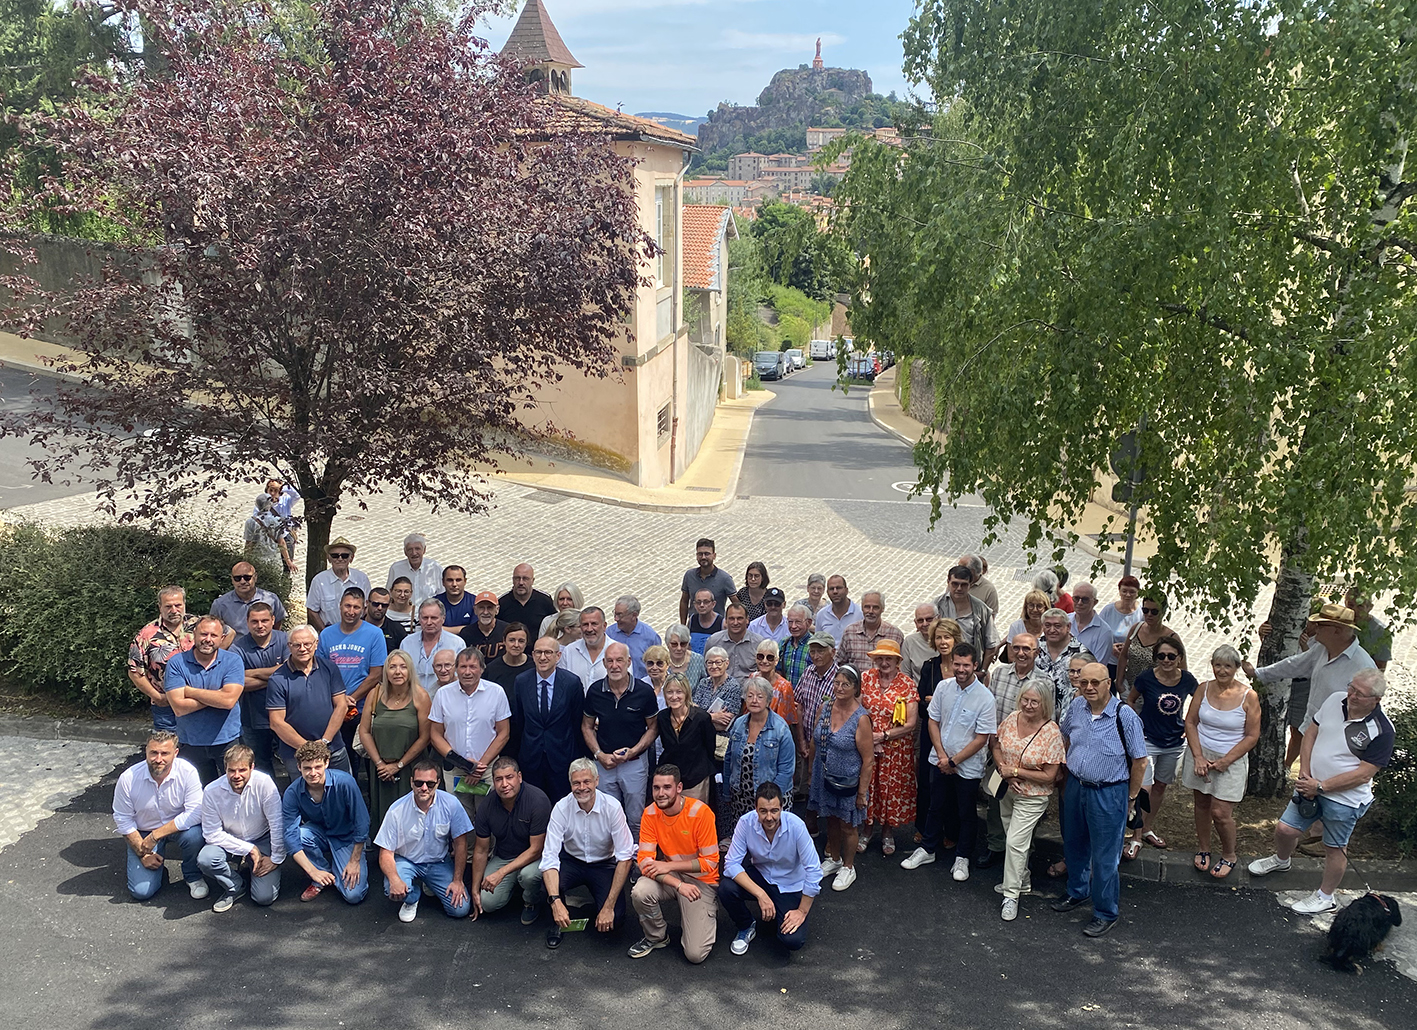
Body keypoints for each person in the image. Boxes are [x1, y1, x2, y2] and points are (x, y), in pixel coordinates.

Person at [1249, 669, 1395, 914]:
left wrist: (1322, 787)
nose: (1352, 695)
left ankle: (1325, 897)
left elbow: (1364, 774)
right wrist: (1305, 774)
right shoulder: (1334, 699)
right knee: (1285, 829)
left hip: (1345, 800)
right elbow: (1311, 733)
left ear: (1376, 700)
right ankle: (1281, 860)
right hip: (1310, 785)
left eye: (1360, 693)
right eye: (1352, 687)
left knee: (1334, 848)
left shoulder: (1382, 730)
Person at [1053, 662, 1148, 937]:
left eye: (1096, 682)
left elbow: (1140, 761)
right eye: (1084, 683)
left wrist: (1130, 797)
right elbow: (1066, 737)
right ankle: (1077, 891)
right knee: (1073, 842)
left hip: (1109, 792)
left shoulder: (1125, 715)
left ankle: (1105, 911)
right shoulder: (1076, 708)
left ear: (1109, 683)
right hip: (1075, 786)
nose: (1089, 688)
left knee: (1105, 856)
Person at [901, 644, 996, 881]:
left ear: (975, 666)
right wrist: (943, 756)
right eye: (957, 664)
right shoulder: (943, 687)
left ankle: (963, 857)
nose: (961, 669)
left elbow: (981, 738)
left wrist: (953, 761)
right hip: (940, 760)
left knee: (965, 812)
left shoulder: (985, 698)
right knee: (935, 805)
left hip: (967, 767)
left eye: (966, 665)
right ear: (952, 663)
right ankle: (928, 848)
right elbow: (933, 721)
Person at [1180, 645, 1261, 879]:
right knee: (1202, 804)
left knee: (1221, 812)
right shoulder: (1203, 689)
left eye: (1227, 666)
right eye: (1217, 665)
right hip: (1201, 754)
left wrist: (1227, 760)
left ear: (1236, 668)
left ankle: (1229, 854)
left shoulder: (1249, 697)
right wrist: (1197, 756)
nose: (1221, 670)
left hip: (1231, 759)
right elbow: (1191, 722)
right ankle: (1204, 848)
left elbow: (1252, 736)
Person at [628, 765, 721, 962]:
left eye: (666, 787)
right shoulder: (650, 813)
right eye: (656, 788)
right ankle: (656, 936)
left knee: (695, 955)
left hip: (701, 880)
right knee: (640, 891)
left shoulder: (700, 813)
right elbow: (645, 862)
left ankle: (706, 911)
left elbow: (711, 863)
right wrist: (678, 885)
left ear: (678, 788)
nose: (660, 793)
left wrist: (669, 866)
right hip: (674, 879)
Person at [541, 759, 637, 949]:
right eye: (576, 783)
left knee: (615, 920)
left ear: (596, 781)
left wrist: (608, 907)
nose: (582, 787)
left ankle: (597, 906)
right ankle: (558, 919)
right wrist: (555, 902)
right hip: (572, 861)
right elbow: (549, 857)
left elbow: (625, 858)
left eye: (587, 782)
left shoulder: (612, 807)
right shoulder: (561, 808)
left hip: (604, 864)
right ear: (570, 784)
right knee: (545, 887)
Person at [990, 683, 1065, 920]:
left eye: (1034, 702)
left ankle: (1011, 895)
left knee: (1014, 842)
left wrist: (1016, 772)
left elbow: (1049, 776)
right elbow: (997, 745)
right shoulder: (1012, 718)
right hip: (1007, 789)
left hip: (1033, 796)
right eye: (1025, 700)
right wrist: (1004, 770)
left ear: (1045, 704)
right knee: (1011, 836)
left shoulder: (1051, 732)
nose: (1028, 706)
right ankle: (1021, 879)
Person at [721, 782, 821, 955]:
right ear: (755, 808)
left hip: (790, 884)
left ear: (782, 807)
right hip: (761, 876)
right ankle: (746, 925)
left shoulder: (797, 826)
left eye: (774, 811)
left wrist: (802, 911)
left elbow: (814, 871)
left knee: (793, 941)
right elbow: (730, 863)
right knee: (726, 887)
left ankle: (782, 912)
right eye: (763, 811)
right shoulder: (746, 823)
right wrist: (761, 894)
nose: (769, 817)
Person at [1243, 603, 1375, 731]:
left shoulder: (1363, 667)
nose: (1315, 628)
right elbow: (1294, 665)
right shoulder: (1321, 649)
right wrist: (1258, 673)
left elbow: (1368, 709)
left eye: (1320, 625)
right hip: (1310, 729)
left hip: (1336, 737)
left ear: (1337, 631)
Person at [112, 731, 206, 900]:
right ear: (146, 751)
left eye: (165, 753)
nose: (158, 759)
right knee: (141, 892)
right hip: (142, 832)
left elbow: (196, 812)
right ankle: (156, 868)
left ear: (175, 753)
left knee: (196, 835)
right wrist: (143, 854)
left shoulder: (187, 772)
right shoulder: (128, 778)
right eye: (153, 753)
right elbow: (123, 819)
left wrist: (156, 835)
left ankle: (192, 874)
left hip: (176, 828)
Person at [374, 757, 472, 921]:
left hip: (438, 862)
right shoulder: (396, 810)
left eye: (430, 784)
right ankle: (412, 898)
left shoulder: (451, 803)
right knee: (391, 888)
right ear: (411, 782)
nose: (424, 788)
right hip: (406, 860)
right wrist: (394, 879)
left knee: (460, 909)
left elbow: (461, 844)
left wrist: (457, 880)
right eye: (419, 783)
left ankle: (429, 883)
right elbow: (386, 852)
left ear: (438, 783)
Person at [1124, 634, 1196, 856]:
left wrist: (1190, 724)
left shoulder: (1187, 680)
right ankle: (1135, 837)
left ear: (1179, 657)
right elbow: (1130, 699)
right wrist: (1133, 724)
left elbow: (1201, 700)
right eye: (1161, 656)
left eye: (1171, 656)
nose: (1166, 660)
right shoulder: (1146, 678)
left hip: (1174, 742)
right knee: (1142, 788)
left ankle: (1147, 828)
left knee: (1160, 786)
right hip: (1147, 739)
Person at [582, 641, 659, 839]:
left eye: (619, 660)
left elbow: (653, 728)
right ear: (604, 664)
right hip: (604, 765)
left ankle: (636, 857)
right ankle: (612, 858)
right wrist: (599, 754)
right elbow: (586, 726)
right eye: (610, 661)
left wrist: (634, 751)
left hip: (634, 764)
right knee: (607, 815)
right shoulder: (595, 691)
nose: (614, 665)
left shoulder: (644, 692)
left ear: (629, 662)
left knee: (635, 817)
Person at [808, 665, 874, 891]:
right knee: (830, 819)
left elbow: (868, 760)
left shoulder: (861, 718)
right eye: (836, 683)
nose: (839, 688)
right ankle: (834, 859)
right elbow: (815, 741)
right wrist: (810, 773)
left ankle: (848, 866)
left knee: (848, 825)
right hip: (823, 775)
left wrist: (862, 793)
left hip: (848, 781)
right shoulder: (825, 707)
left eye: (846, 684)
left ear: (856, 688)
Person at [198, 742, 285, 911]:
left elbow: (277, 822)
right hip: (229, 840)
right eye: (231, 770)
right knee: (206, 859)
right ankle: (235, 886)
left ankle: (254, 869)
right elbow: (211, 834)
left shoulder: (265, 783)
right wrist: (249, 849)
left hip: (263, 837)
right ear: (225, 769)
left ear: (252, 767)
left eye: (242, 770)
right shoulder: (211, 791)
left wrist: (276, 858)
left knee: (264, 897)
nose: (236, 775)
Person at [282, 740, 370, 904]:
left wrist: (354, 861)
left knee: (353, 896)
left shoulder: (345, 782)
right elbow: (289, 835)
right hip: (319, 833)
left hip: (347, 837)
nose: (313, 773)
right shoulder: (292, 792)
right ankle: (322, 873)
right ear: (299, 767)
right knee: (300, 834)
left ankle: (337, 871)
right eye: (307, 768)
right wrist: (312, 871)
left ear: (326, 763)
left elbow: (362, 822)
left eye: (318, 767)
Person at [430, 648, 511, 818]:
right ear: (456, 669)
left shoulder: (496, 692)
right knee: (458, 819)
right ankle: (464, 847)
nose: (467, 672)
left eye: (473, 667)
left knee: (488, 817)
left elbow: (503, 733)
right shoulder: (442, 694)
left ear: (482, 669)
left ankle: (487, 847)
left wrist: (479, 766)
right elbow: (436, 735)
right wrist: (464, 764)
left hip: (487, 769)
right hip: (455, 769)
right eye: (463, 667)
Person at [163, 615, 245, 785]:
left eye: (213, 635)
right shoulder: (177, 663)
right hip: (190, 742)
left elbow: (229, 701)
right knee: (198, 796)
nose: (208, 639)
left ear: (222, 638)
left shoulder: (233, 661)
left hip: (227, 740)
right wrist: (217, 696)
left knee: (234, 790)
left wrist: (189, 691)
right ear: (194, 634)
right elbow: (179, 707)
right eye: (203, 634)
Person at [358, 649, 431, 834]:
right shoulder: (375, 695)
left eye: (403, 667)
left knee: (410, 817)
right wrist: (380, 763)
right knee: (382, 815)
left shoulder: (421, 696)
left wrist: (398, 765)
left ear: (410, 671)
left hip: (410, 769)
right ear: (385, 671)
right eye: (392, 667)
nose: (397, 672)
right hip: (380, 770)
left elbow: (425, 737)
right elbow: (364, 731)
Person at [266, 625, 354, 778]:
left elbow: (341, 705)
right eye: (297, 645)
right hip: (296, 755)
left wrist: (325, 740)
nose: (302, 649)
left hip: (334, 748)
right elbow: (276, 722)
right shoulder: (278, 678)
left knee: (342, 794)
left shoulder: (330, 668)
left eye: (307, 644)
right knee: (304, 798)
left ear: (316, 644)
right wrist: (309, 748)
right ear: (289, 647)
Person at [471, 757, 551, 922]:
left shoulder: (538, 800)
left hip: (534, 857)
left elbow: (536, 849)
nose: (504, 784)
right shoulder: (487, 806)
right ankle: (513, 885)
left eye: (509, 777)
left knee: (528, 876)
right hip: (505, 856)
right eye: (499, 779)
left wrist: (501, 873)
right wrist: (474, 889)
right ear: (493, 781)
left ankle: (532, 902)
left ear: (519, 777)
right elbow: (481, 850)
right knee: (487, 903)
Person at [857, 640, 918, 857]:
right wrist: (869, 738)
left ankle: (887, 831)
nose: (884, 662)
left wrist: (882, 736)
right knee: (867, 787)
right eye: (880, 658)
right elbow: (855, 710)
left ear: (897, 661)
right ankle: (866, 829)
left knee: (890, 790)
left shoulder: (907, 684)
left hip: (896, 749)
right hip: (867, 745)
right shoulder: (865, 678)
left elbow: (910, 724)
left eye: (889, 658)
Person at [513, 637, 586, 803]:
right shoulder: (522, 682)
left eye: (548, 652)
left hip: (562, 758)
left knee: (562, 806)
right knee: (532, 806)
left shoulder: (571, 683)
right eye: (538, 652)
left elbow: (576, 722)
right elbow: (519, 721)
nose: (543, 657)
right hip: (531, 758)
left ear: (558, 656)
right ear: (532, 655)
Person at [723, 678, 797, 839]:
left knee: (770, 840)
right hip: (741, 797)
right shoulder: (738, 724)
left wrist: (770, 801)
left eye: (759, 696)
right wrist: (727, 792)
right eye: (750, 696)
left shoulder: (780, 728)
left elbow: (786, 770)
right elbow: (729, 759)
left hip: (770, 801)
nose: (754, 700)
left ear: (769, 700)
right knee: (746, 839)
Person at [318, 586, 387, 758]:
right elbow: (320, 671)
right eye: (347, 606)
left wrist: (352, 699)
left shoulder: (375, 634)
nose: (351, 611)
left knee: (361, 757)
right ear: (340, 605)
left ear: (364, 609)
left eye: (356, 607)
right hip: (332, 707)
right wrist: (339, 700)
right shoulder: (326, 635)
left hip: (362, 708)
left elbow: (376, 674)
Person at [913, 617, 961, 844]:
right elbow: (921, 704)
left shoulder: (964, 666)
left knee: (952, 780)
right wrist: (932, 703)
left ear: (955, 639)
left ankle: (951, 831)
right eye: (939, 637)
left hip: (957, 733)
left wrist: (936, 702)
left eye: (947, 637)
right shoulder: (929, 667)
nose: (943, 642)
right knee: (926, 779)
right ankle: (923, 827)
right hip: (930, 731)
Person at [229, 602, 289, 776]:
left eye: (264, 620)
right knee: (260, 766)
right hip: (252, 718)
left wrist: (250, 673)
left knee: (292, 761)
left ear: (273, 620)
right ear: (247, 622)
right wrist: (277, 675)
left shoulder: (286, 640)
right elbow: (237, 684)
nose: (260, 625)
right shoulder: (237, 647)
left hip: (288, 714)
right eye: (254, 621)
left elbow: (293, 672)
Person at [128, 585, 198, 732]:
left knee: (198, 751)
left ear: (184, 604)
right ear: (160, 607)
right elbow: (134, 671)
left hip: (197, 701)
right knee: (167, 750)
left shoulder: (199, 625)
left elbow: (228, 633)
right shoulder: (146, 634)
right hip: (166, 706)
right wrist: (158, 697)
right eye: (168, 606)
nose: (174, 610)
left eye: (178, 605)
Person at [655, 675, 717, 801]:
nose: (674, 696)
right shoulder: (662, 717)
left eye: (679, 692)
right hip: (671, 778)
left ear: (687, 693)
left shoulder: (701, 717)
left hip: (696, 777)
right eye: (669, 692)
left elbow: (710, 747)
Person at [1116, 591, 1184, 696]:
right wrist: (1120, 684)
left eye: (1154, 612)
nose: (1149, 615)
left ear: (1163, 612)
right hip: (1129, 690)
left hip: (1155, 694)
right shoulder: (1136, 629)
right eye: (1145, 610)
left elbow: (1182, 670)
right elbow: (1124, 655)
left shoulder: (1172, 638)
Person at [934, 565, 999, 673]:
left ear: (971, 585)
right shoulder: (937, 606)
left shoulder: (981, 610)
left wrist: (982, 671)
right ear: (948, 582)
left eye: (964, 585)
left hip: (970, 670)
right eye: (955, 584)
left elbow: (991, 643)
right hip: (942, 669)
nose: (959, 588)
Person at [210, 562, 288, 648]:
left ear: (255, 577)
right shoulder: (220, 604)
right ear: (232, 580)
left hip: (266, 650)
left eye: (247, 577)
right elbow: (214, 631)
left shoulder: (271, 599)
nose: (242, 581)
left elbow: (277, 625)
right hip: (235, 653)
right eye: (237, 578)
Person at [305, 537, 371, 633]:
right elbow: (312, 610)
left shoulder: (362, 578)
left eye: (344, 555)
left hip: (357, 631)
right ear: (329, 558)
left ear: (351, 558)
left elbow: (367, 606)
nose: (340, 559)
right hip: (329, 630)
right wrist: (325, 632)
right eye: (335, 555)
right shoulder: (319, 580)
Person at [1035, 608, 1092, 716]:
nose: (1052, 630)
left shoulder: (1081, 652)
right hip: (1036, 711)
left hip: (1069, 714)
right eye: (1047, 625)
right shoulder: (1034, 648)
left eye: (1057, 626)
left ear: (1068, 627)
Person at [401, 599, 466, 692]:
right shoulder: (407, 643)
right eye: (425, 618)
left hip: (445, 698)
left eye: (434, 618)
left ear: (443, 619)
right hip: (414, 699)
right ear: (419, 618)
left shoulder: (457, 644)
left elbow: (462, 676)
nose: (429, 622)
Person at [483, 623, 532, 739]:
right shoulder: (491, 669)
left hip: (528, 729)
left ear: (526, 643)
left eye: (521, 641)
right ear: (504, 641)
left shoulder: (534, 667)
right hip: (500, 728)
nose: (516, 645)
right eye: (512, 640)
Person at [753, 640, 801, 754]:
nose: (764, 661)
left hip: (773, 739)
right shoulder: (752, 678)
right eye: (760, 656)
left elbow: (785, 722)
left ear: (776, 661)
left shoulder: (784, 686)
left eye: (769, 657)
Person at [838, 591, 905, 672]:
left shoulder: (895, 635)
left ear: (882, 609)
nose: (870, 611)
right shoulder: (850, 632)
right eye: (867, 607)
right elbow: (840, 663)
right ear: (862, 608)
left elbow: (902, 666)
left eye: (875, 607)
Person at [679, 537, 737, 623]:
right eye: (700, 554)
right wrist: (683, 625)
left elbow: (736, 604)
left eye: (707, 554)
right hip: (694, 625)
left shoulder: (725, 578)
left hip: (716, 627)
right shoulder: (689, 575)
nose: (703, 557)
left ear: (714, 556)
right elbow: (684, 600)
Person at [694, 646, 743, 743]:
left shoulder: (733, 687)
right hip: (698, 738)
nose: (714, 666)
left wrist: (700, 718)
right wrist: (713, 717)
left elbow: (723, 725)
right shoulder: (703, 683)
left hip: (719, 741)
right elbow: (692, 714)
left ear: (727, 663)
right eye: (710, 663)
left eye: (718, 662)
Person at [606, 595, 662, 679]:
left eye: (620, 615)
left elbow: (659, 664)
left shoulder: (651, 637)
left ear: (634, 615)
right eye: (615, 614)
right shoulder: (609, 634)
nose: (616, 619)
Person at [1099, 575, 1143, 678]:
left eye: (1132, 592)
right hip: (1110, 662)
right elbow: (1098, 634)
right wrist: (1110, 647)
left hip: (1132, 664)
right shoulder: (1108, 610)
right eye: (1124, 591)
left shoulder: (1142, 613)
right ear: (1119, 591)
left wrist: (1129, 649)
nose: (1127, 595)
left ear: (1137, 593)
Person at [244, 494, 297, 574]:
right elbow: (281, 542)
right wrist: (288, 561)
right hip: (274, 561)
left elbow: (249, 544)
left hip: (257, 561)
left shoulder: (250, 522)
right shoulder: (276, 521)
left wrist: (245, 561)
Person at [499, 564, 557, 636]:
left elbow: (554, 624)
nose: (521, 582)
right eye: (517, 578)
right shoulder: (502, 602)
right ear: (512, 580)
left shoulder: (545, 601)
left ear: (532, 581)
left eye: (525, 579)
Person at [384, 533, 443, 605]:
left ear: (424, 550)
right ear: (405, 552)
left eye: (417, 549)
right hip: (402, 614)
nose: (414, 553)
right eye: (410, 549)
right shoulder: (396, 569)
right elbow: (388, 595)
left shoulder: (435, 568)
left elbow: (442, 595)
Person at [562, 607, 611, 693]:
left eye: (594, 624)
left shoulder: (618, 651)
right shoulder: (569, 651)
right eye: (585, 624)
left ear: (604, 626)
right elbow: (561, 685)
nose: (589, 629)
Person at [1069, 583, 1114, 675]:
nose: (1079, 603)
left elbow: (1098, 667)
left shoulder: (1104, 632)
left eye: (1085, 600)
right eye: (1076, 598)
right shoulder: (1064, 621)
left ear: (1095, 602)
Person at [1346, 588, 1392, 671]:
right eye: (1350, 605)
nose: (1354, 610)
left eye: (1360, 606)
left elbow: (1379, 668)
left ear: (1370, 607)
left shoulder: (1381, 632)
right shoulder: (1340, 624)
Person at [815, 574, 863, 644]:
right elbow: (818, 642)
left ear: (846, 590)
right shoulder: (821, 615)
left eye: (838, 588)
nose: (835, 592)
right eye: (831, 589)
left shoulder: (860, 613)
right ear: (827, 592)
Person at [466, 590, 510, 662]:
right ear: (475, 610)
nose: (485, 612)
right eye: (481, 608)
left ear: (497, 610)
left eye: (489, 608)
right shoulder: (466, 633)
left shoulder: (507, 630)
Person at [778, 604, 815, 689]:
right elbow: (778, 671)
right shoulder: (783, 643)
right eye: (790, 622)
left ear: (808, 623)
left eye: (798, 622)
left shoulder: (814, 645)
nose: (793, 626)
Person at [434, 565, 476, 637]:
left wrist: (442, 629)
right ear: (443, 582)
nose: (454, 584)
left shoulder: (475, 602)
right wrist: (463, 628)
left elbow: (475, 629)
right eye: (450, 580)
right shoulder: (434, 603)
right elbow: (429, 628)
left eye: (458, 580)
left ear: (465, 581)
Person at [901, 602, 938, 682]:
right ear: (915, 623)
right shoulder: (909, 642)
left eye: (929, 620)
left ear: (938, 619)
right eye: (920, 621)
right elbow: (905, 675)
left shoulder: (947, 641)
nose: (925, 624)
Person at [1005, 590, 1050, 654]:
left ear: (1046, 608)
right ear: (1026, 607)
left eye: (1039, 606)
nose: (1035, 610)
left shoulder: (1051, 628)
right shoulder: (1016, 627)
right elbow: (1011, 655)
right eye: (1031, 605)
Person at [664, 624, 708, 689]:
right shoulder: (661, 662)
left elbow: (705, 687)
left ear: (688, 644)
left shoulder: (698, 660)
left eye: (683, 644)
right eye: (674, 644)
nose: (679, 648)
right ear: (667, 644)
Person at [365, 587, 405, 657]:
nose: (380, 608)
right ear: (367, 603)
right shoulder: (355, 627)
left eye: (384, 605)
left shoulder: (397, 630)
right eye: (376, 604)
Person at [687, 588, 724, 653]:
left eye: (706, 602)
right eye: (698, 602)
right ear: (695, 604)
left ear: (713, 604)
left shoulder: (721, 623)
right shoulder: (692, 620)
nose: (702, 605)